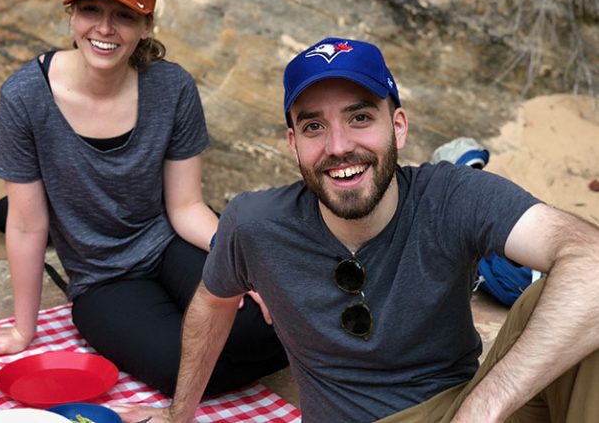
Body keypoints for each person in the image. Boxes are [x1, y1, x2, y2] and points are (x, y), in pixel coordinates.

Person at [113, 37, 599, 422]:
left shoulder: (452, 196)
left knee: (571, 295)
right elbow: (213, 301)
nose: (339, 146)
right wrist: (178, 414)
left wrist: (480, 409)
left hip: (464, 405)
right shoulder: (255, 224)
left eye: (360, 117)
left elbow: (591, 261)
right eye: (314, 127)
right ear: (293, 143)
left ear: (398, 126)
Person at [0, 0, 287, 397]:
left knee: (269, 318)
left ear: (146, 26)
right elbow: (28, 225)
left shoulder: (172, 87)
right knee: (176, 366)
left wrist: (243, 267)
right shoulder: (24, 97)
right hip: (103, 278)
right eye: (91, 10)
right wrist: (22, 330)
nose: (105, 29)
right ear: (72, 15)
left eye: (124, 15)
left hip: (168, 242)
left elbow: (186, 206)